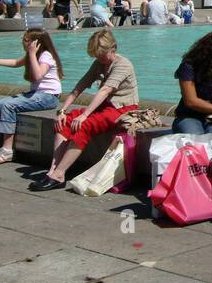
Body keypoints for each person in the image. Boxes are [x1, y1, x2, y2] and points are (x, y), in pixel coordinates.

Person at [29, 29, 138, 191]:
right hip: (106, 105)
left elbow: (105, 90)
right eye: (96, 55)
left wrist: (85, 115)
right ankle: (53, 170)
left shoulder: (123, 64)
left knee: (84, 125)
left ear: (113, 48)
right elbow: (80, 86)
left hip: (122, 107)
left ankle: (59, 174)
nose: (100, 58)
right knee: (65, 121)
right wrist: (63, 111)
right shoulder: (99, 63)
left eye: (102, 54)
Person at [0, 30, 64, 164]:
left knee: (9, 106)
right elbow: (16, 62)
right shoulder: (32, 55)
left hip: (48, 97)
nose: (23, 42)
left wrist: (32, 54)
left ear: (36, 43)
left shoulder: (46, 56)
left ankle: (7, 151)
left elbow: (38, 75)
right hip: (36, 94)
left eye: (26, 40)